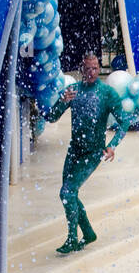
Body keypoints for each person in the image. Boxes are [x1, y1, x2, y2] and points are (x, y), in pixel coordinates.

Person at [44, 51, 132, 254]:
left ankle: (72, 239)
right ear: (81, 69)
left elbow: (124, 121)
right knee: (70, 193)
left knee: (66, 193)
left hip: (93, 153)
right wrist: (62, 101)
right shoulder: (73, 90)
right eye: (87, 68)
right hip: (74, 150)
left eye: (95, 68)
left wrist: (112, 145)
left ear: (99, 68)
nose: (91, 72)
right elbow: (51, 117)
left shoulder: (107, 93)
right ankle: (89, 233)